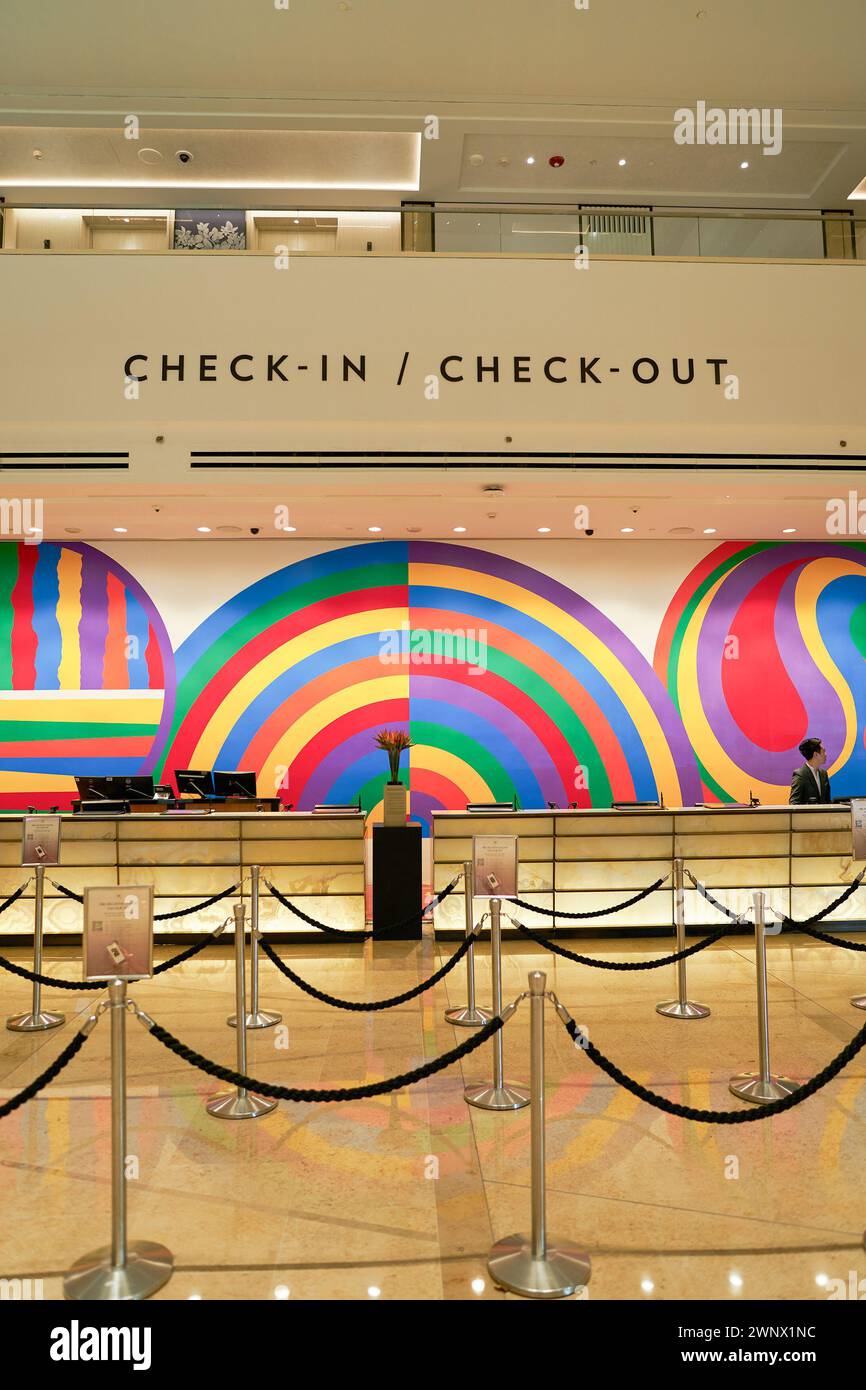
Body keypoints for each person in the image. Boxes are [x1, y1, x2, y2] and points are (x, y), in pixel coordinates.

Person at [789, 737, 831, 804]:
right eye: (823, 751)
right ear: (815, 754)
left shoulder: (824, 774)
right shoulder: (800, 774)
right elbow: (794, 802)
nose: (826, 755)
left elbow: (827, 801)